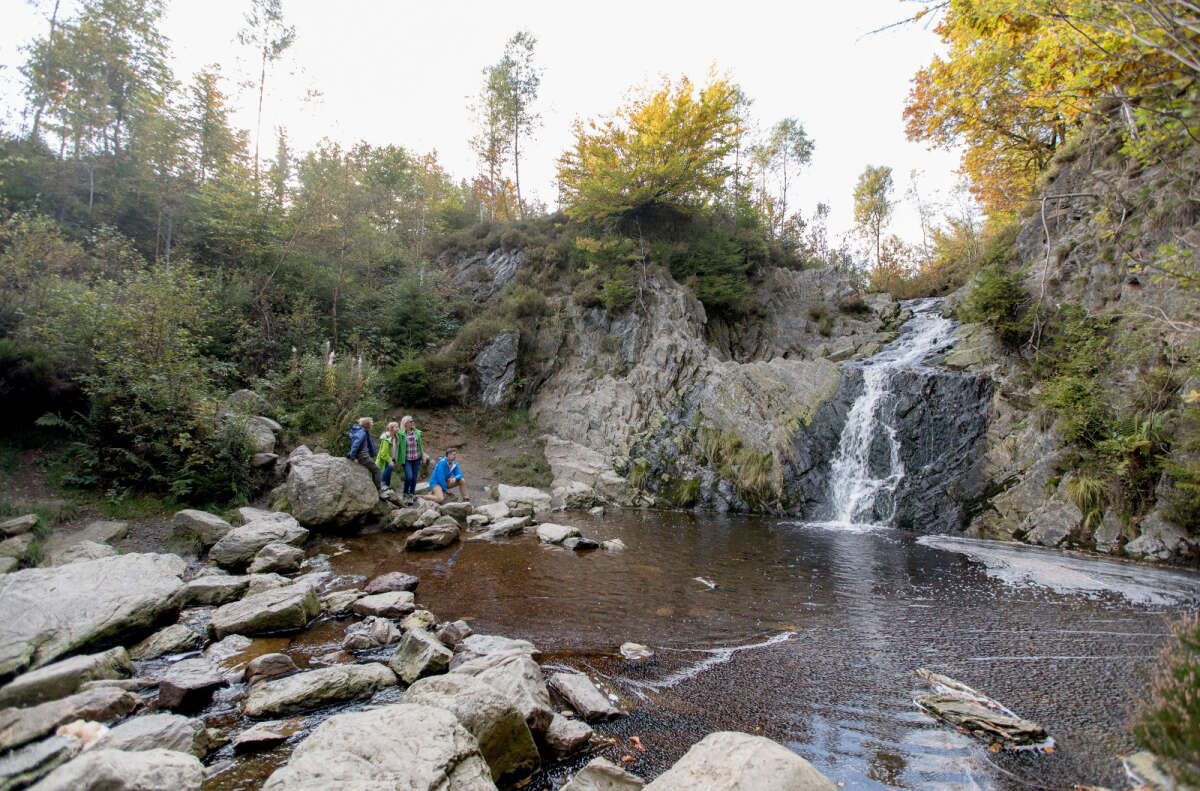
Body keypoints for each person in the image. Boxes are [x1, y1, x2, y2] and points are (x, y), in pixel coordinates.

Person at [347, 416, 384, 498]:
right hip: (363, 456)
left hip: (363, 455)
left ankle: (375, 488)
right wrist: (353, 457)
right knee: (377, 470)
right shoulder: (362, 433)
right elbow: (355, 445)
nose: (372, 425)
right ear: (367, 425)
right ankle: (378, 491)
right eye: (371, 424)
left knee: (374, 470)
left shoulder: (362, 431)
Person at [398, 415, 423, 506]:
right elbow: (392, 435)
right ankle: (405, 494)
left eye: (412, 421)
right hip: (407, 459)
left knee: (414, 478)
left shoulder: (417, 432)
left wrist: (422, 456)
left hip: (416, 458)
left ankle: (411, 495)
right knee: (409, 477)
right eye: (410, 421)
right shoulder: (401, 434)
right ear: (405, 423)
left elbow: (420, 446)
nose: (412, 423)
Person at [375, 420, 401, 498]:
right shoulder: (387, 438)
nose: (398, 428)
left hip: (391, 459)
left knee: (389, 473)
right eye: (396, 427)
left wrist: (394, 459)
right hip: (385, 460)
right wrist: (389, 460)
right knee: (385, 473)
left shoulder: (395, 437)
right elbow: (383, 454)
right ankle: (382, 486)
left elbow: (395, 449)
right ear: (392, 428)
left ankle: (388, 487)